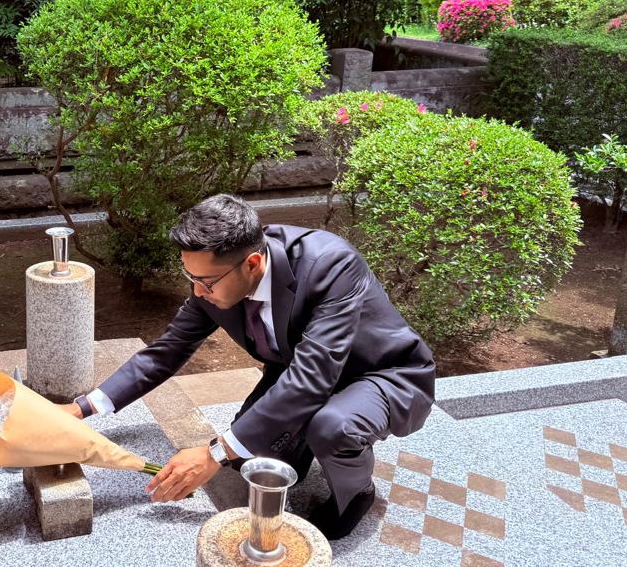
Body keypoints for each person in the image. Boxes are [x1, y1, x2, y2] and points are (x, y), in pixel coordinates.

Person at [60, 193, 435, 539]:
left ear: (253, 263)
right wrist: (82, 407)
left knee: (332, 427)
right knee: (251, 460)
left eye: (205, 281)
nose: (196, 292)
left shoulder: (330, 264)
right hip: (301, 374)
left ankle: (357, 493)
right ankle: (302, 442)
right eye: (189, 277)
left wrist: (212, 453)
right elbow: (167, 351)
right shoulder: (219, 275)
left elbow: (314, 375)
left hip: (384, 376)